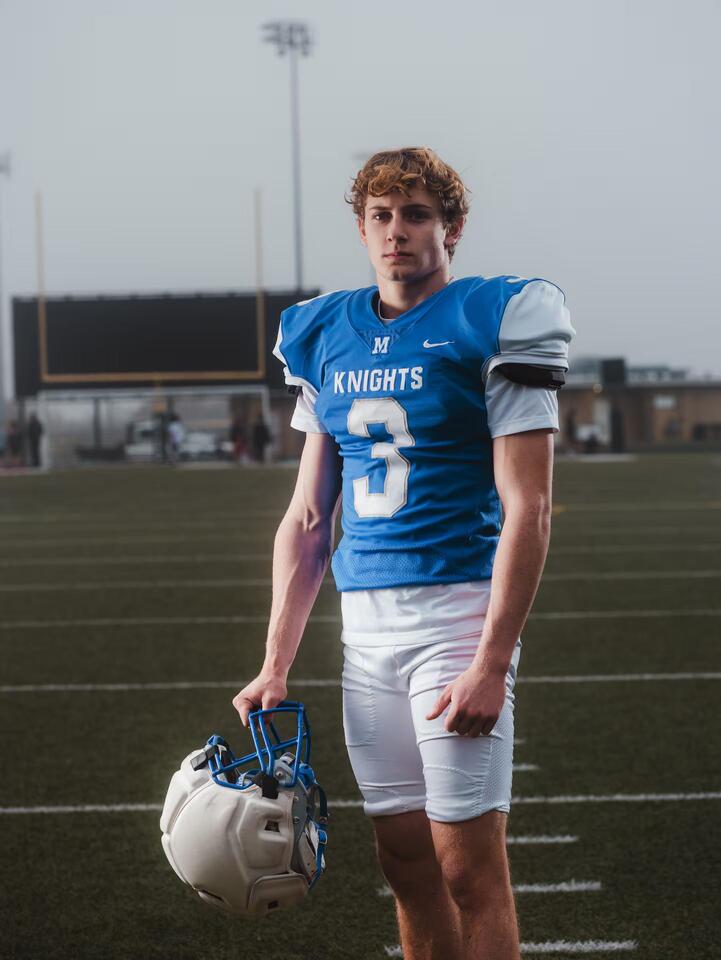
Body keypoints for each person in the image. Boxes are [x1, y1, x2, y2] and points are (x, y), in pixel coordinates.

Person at [233, 147, 574, 960]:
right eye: (381, 216)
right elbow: (308, 518)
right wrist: (274, 664)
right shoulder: (323, 332)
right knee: (405, 865)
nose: (397, 232)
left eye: (416, 215)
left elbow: (529, 507)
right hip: (365, 636)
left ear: (450, 227)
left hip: (456, 620)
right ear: (361, 229)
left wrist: (491, 661)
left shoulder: (494, 315)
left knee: (467, 869)